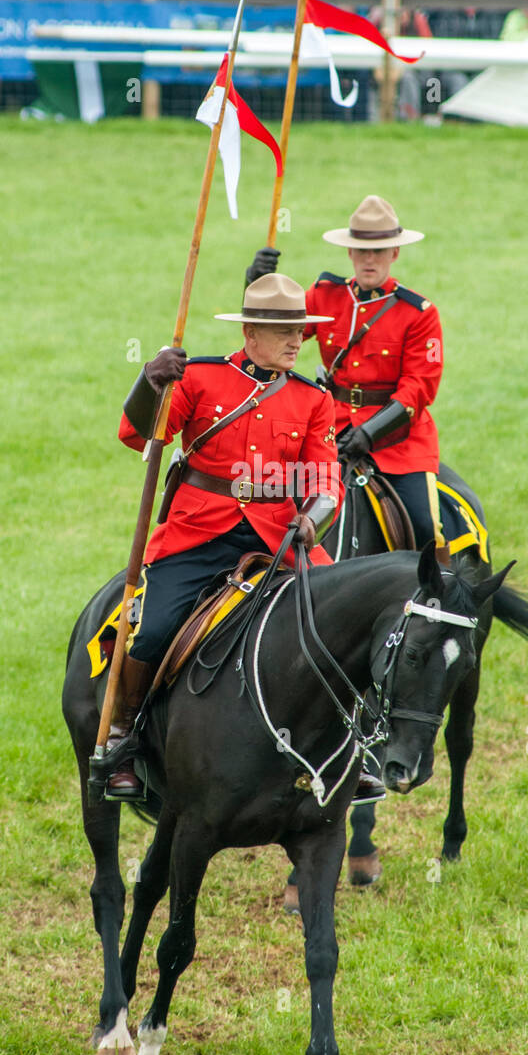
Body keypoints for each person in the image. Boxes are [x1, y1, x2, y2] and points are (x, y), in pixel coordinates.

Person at [102, 274, 383, 805]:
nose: (298, 341)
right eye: (285, 331)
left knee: (345, 623)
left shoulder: (312, 399)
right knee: (157, 626)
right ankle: (124, 740)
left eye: (301, 330)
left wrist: (312, 519)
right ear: (251, 331)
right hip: (198, 531)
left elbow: (324, 476)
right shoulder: (200, 377)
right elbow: (140, 435)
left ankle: (353, 745)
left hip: (278, 536)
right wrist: (148, 381)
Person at [246, 197, 448, 565]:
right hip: (329, 426)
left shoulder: (417, 313)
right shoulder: (326, 296)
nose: (370, 260)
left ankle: (439, 603)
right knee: (266, 493)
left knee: (425, 526)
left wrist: (369, 433)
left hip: (398, 441)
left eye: (379, 251)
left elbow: (419, 389)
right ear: (350, 253)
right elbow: (274, 334)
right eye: (361, 251)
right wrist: (257, 285)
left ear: (395, 253)